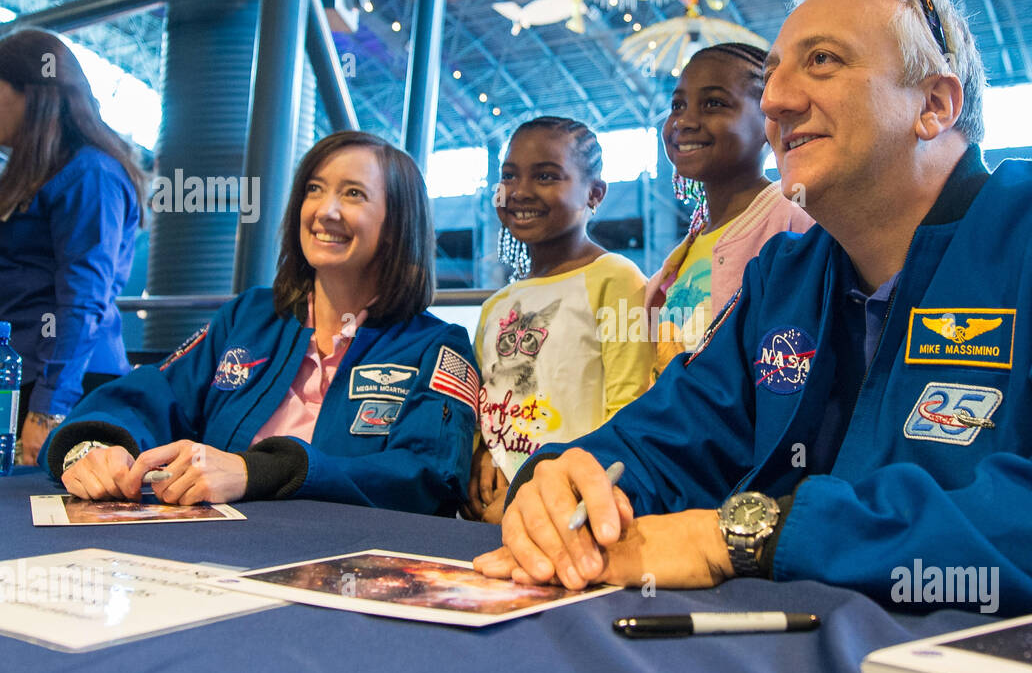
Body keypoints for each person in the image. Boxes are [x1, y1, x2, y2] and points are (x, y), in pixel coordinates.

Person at [473, 0, 1032, 622]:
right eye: (776, 73)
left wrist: (751, 536)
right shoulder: (784, 283)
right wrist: (564, 483)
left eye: (821, 62)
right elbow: (659, 445)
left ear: (935, 105)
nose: (777, 99)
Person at [40, 130, 476, 516]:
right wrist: (94, 448)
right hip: (210, 560)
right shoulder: (249, 316)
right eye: (314, 189)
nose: (325, 210)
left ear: (399, 223)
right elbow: (153, 394)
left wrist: (260, 471)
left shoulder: (438, 345)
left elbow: (429, 476)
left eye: (354, 194)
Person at [465, 116, 653, 523]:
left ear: (594, 194)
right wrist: (478, 454)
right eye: (509, 176)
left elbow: (627, 411)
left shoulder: (616, 279)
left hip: (563, 506)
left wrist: (544, 494)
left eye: (546, 176)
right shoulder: (496, 305)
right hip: (487, 511)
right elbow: (484, 403)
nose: (520, 192)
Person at [0, 28, 147, 464]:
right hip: (25, 374)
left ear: (29, 92)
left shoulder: (91, 174)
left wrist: (49, 408)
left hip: (64, 382)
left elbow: (83, 301)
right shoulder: (35, 173)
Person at [650, 42, 813, 378]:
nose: (685, 121)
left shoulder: (791, 217)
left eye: (713, 104)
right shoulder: (691, 245)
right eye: (677, 105)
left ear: (770, 119)